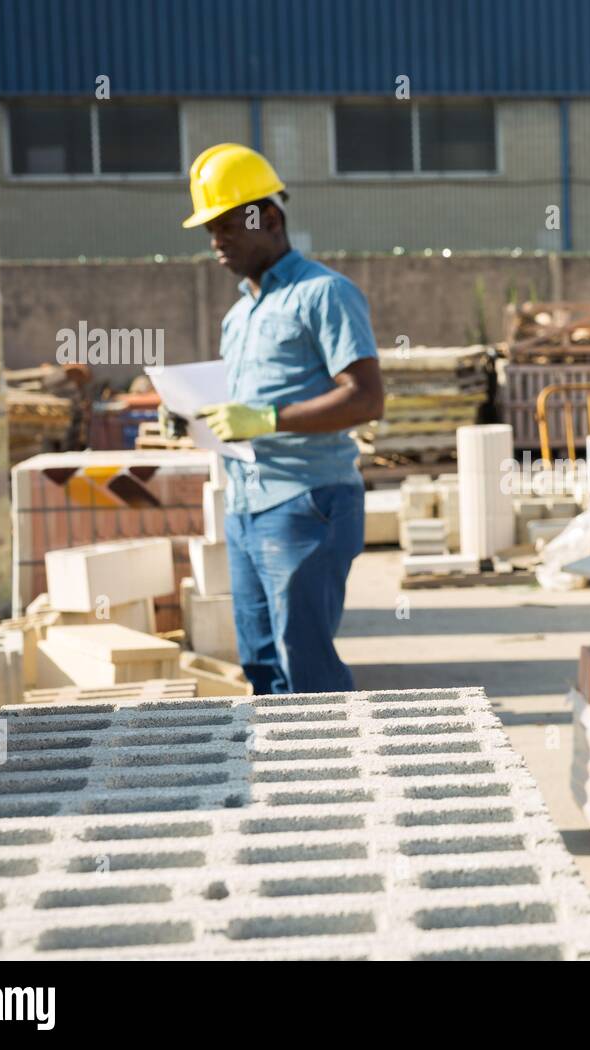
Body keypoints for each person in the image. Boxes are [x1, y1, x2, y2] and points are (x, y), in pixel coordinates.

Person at [180, 143, 384, 695]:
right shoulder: (239, 315)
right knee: (262, 667)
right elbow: (240, 407)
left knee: (307, 671)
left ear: (268, 218)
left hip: (306, 502)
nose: (216, 242)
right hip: (247, 506)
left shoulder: (324, 295)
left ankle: (334, 775)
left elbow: (366, 399)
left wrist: (267, 418)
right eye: (209, 230)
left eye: (227, 226)